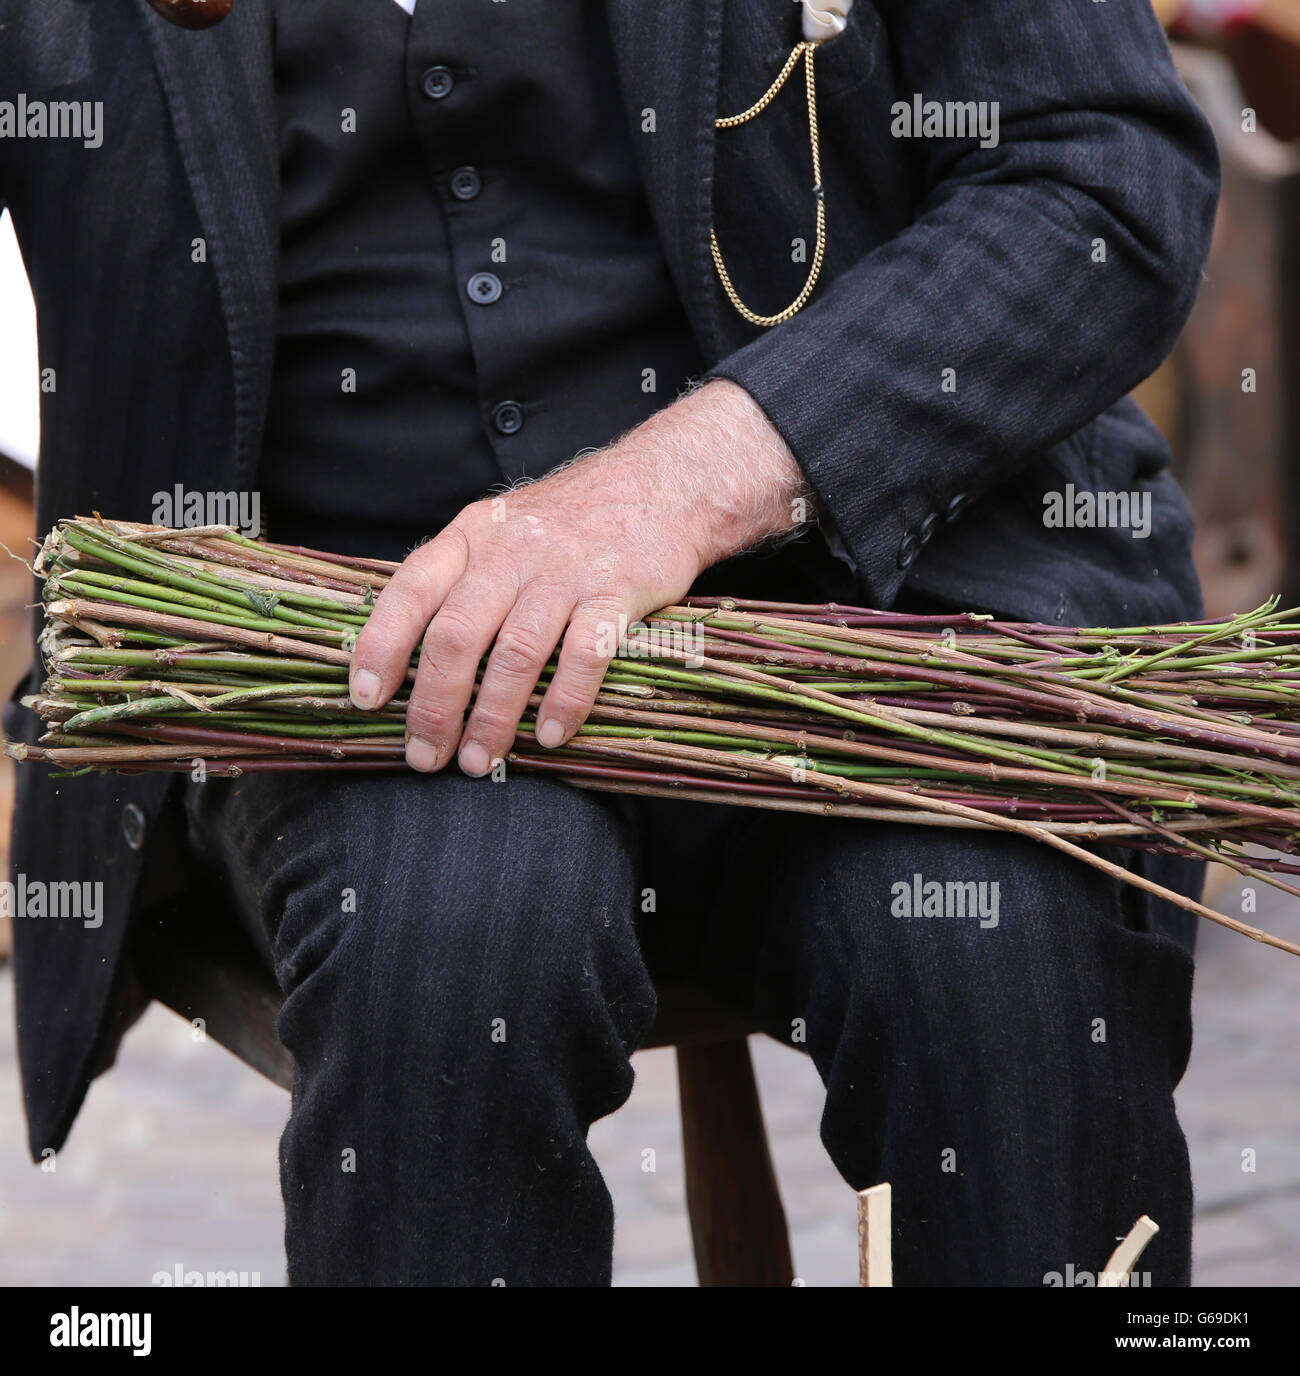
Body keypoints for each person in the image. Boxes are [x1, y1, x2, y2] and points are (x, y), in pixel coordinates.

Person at [2, 0, 1219, 1285]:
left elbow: (1099, 173)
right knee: (446, 943)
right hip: (362, 669)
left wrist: (693, 477)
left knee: (990, 961)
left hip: (897, 616)